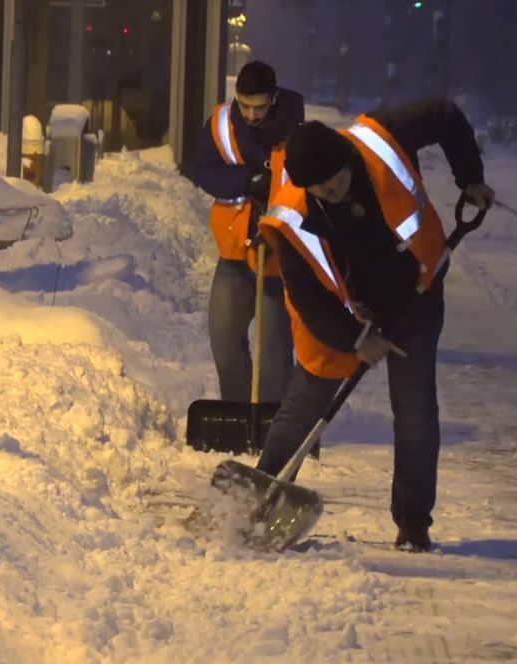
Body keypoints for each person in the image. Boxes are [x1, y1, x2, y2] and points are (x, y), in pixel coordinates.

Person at [253, 99, 495, 552]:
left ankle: (413, 520)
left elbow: (443, 114)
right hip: (346, 311)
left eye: (333, 181)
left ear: (345, 160)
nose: (329, 192)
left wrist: (471, 178)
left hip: (416, 294)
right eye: (318, 189)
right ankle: (260, 497)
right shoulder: (294, 215)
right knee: (306, 400)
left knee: (415, 407)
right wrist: (356, 338)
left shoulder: (382, 137)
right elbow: (307, 298)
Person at [193, 60, 303, 411]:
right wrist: (246, 180)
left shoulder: (298, 133)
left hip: (278, 259)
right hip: (235, 252)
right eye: (245, 105)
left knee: (273, 350)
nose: (252, 114)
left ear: (274, 99)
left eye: (260, 107)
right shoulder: (222, 124)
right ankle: (238, 412)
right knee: (224, 335)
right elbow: (203, 169)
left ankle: (274, 419)